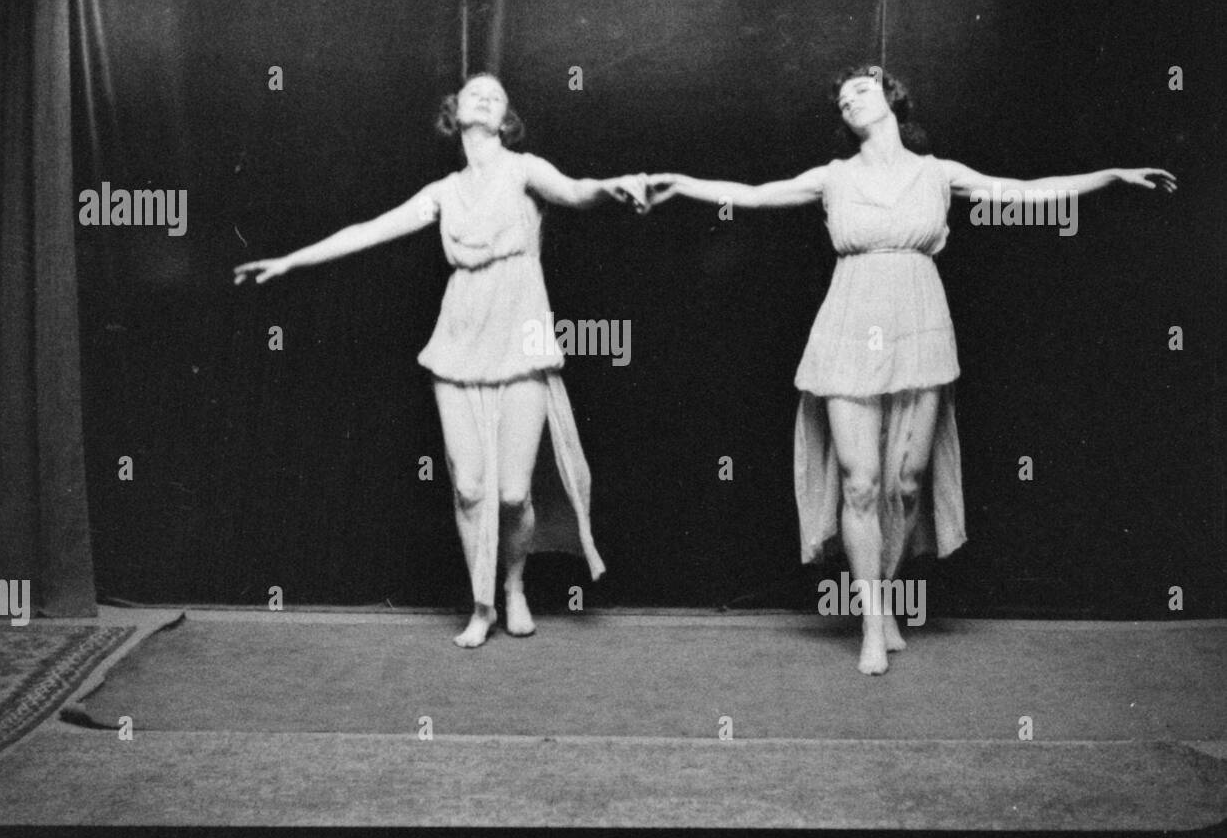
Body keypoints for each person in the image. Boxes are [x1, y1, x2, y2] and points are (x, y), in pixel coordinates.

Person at [648, 65, 1175, 674]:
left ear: (892, 100)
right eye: (841, 98)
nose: (848, 99)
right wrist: (683, 183)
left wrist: (1109, 176)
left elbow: (1022, 189)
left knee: (905, 482)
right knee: (861, 482)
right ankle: (873, 621)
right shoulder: (832, 178)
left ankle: (888, 601)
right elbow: (755, 193)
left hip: (920, 328)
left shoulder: (938, 174)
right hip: (849, 325)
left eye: (860, 89)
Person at [236, 73, 649, 647]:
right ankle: (481, 605)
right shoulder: (444, 192)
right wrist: (290, 261)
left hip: (522, 339)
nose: (485, 96)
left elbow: (577, 191)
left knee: (512, 494)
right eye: (474, 92)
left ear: (506, 119)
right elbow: (370, 230)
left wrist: (615, 186)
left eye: (497, 95)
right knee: (470, 488)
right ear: (455, 113)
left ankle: (513, 588)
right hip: (457, 341)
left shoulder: (525, 169)